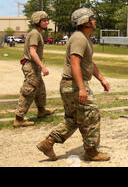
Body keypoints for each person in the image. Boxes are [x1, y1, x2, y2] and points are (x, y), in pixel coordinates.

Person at [37, 8, 111, 161]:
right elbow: (75, 62)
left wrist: (101, 79)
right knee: (92, 114)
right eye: (92, 18)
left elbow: (88, 62)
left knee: (73, 119)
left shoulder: (84, 38)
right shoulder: (79, 38)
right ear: (85, 22)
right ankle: (91, 151)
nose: (95, 20)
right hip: (75, 85)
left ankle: (48, 142)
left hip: (71, 85)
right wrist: (82, 89)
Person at [13, 11, 55, 128]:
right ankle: (19, 118)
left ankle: (41, 111)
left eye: (47, 20)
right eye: (44, 20)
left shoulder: (37, 33)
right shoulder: (35, 34)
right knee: (28, 91)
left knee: (40, 89)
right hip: (31, 66)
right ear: (38, 22)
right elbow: (32, 52)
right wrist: (42, 66)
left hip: (34, 67)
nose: (47, 22)